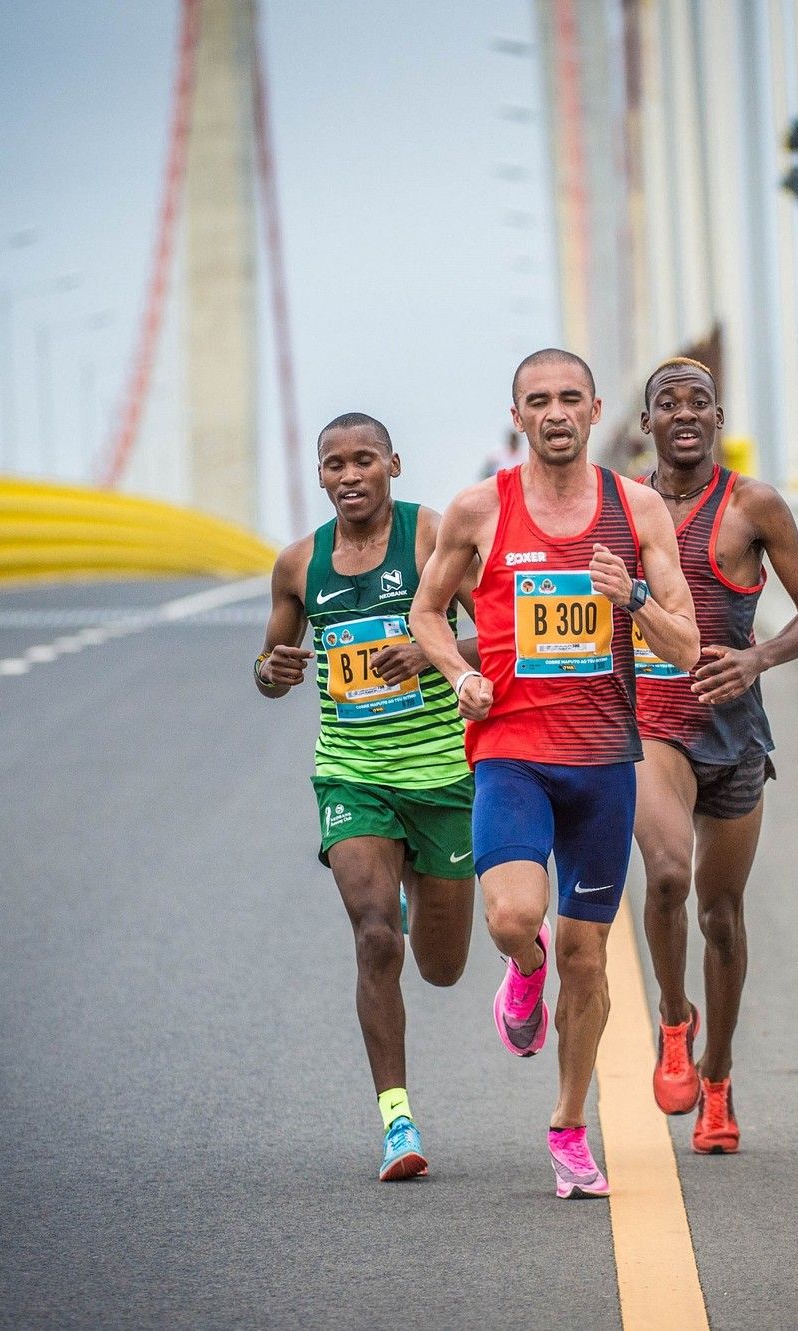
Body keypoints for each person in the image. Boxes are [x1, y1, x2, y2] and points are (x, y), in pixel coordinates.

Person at [410, 349, 698, 1199]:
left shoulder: (636, 508)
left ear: (596, 408)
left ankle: (569, 1128)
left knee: (588, 957)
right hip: (510, 750)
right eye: (539, 401)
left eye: (571, 398)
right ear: (518, 417)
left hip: (603, 762)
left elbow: (686, 644)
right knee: (512, 916)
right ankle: (522, 965)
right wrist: (458, 674)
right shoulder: (480, 509)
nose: (557, 412)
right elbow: (427, 612)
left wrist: (632, 598)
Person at [254, 412, 481, 1182]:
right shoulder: (298, 564)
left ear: (393, 464)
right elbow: (269, 665)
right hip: (351, 772)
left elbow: (503, 629)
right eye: (334, 464)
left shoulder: (431, 536)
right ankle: (397, 1120)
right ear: (320, 475)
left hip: (442, 774)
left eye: (364, 460)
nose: (349, 475)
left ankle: (424, 887)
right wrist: (271, 672)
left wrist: (431, 649)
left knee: (442, 967)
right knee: (377, 935)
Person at [630, 357, 798, 1153]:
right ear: (645, 422)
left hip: (735, 733)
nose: (684, 413)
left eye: (700, 402)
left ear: (719, 418)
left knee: (720, 917)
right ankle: (674, 1020)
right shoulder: (620, 507)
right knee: (666, 874)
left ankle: (717, 1077)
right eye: (668, 403)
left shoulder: (753, 505)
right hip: (654, 726)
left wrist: (758, 658)